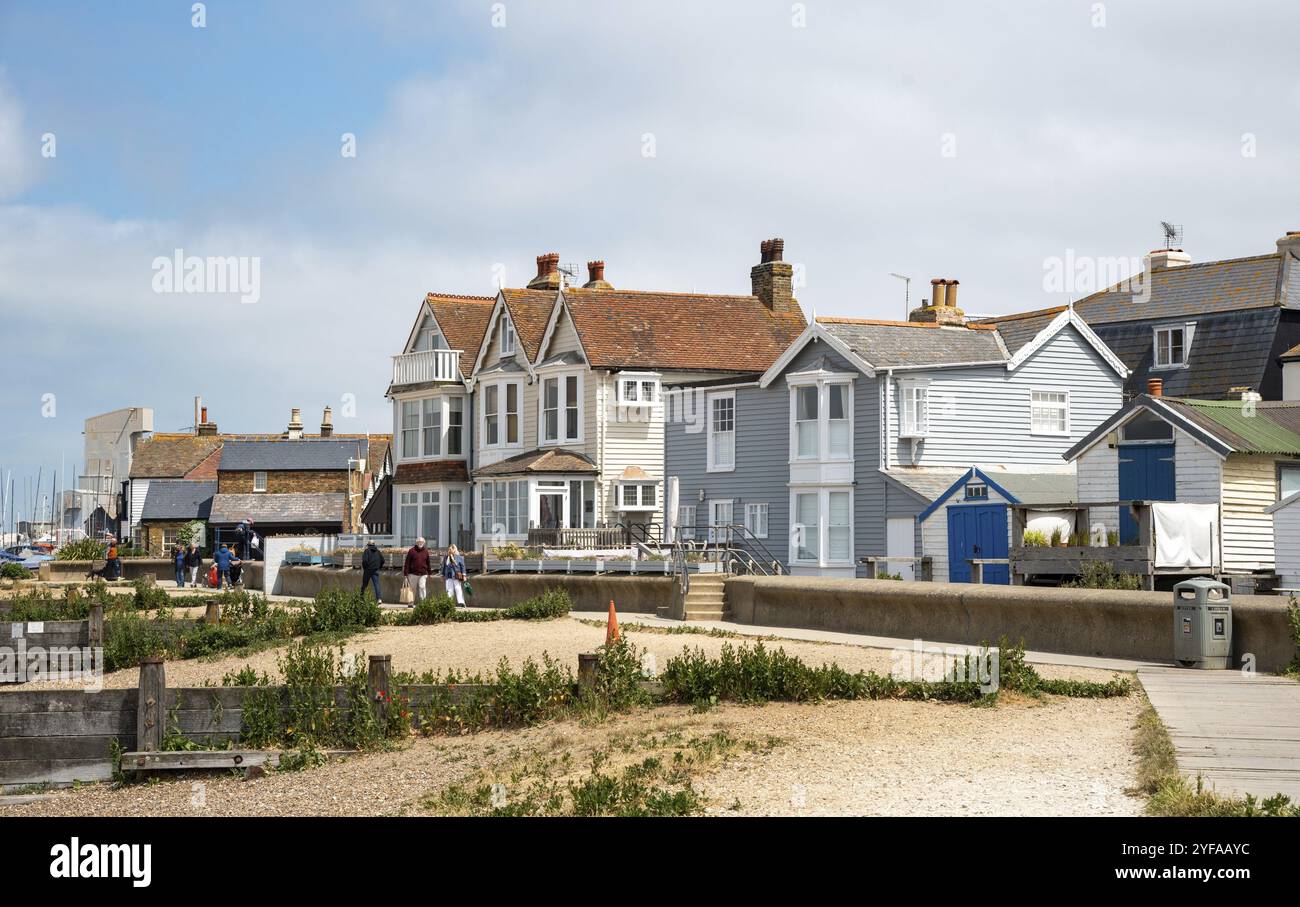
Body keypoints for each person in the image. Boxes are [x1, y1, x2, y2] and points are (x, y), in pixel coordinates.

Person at [402, 536, 431, 605]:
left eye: (422, 542)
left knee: (422, 587)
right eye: (419, 542)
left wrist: (429, 573)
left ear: (424, 543)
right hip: (412, 574)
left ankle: (423, 603)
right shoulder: (412, 551)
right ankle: (410, 603)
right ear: (417, 542)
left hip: (423, 574)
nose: (420, 543)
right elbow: (407, 563)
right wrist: (405, 574)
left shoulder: (426, 551)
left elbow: (428, 562)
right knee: (412, 589)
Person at [361, 540, 385, 604]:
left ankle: (361, 598)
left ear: (368, 545)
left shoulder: (367, 551)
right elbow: (383, 560)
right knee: (376, 584)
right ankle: (379, 599)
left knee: (364, 584)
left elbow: (365, 561)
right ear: (374, 545)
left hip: (368, 570)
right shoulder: (378, 551)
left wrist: (365, 568)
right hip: (375, 570)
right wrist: (379, 567)